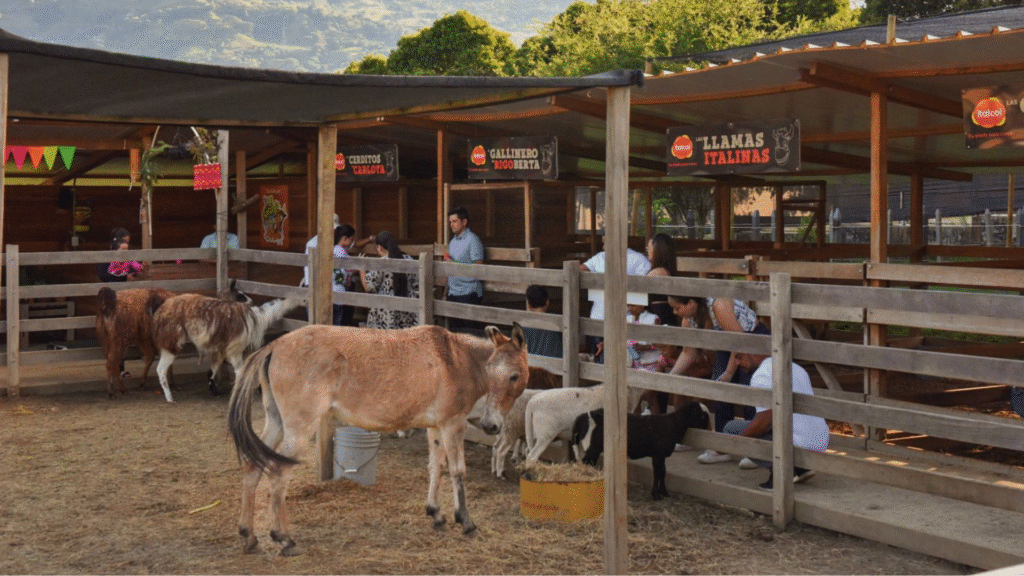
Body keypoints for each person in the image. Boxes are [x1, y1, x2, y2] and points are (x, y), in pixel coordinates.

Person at [667, 294, 771, 466]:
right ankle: (722, 446)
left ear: (691, 303)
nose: (674, 312)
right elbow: (688, 352)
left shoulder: (719, 305)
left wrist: (729, 373)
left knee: (749, 392)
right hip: (727, 345)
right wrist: (671, 377)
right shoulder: (690, 319)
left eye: (677, 307)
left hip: (750, 340)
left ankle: (755, 448)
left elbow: (739, 341)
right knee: (720, 391)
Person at [724, 350, 830, 490]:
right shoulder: (794, 367)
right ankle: (801, 468)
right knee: (770, 425)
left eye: (740, 357)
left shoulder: (761, 374)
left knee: (731, 429)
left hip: (795, 444)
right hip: (819, 441)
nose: (737, 363)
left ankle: (779, 475)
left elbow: (764, 422)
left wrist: (731, 444)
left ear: (755, 353)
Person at [581, 232, 651, 362]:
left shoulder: (638, 259)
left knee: (623, 362)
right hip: (597, 320)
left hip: (623, 322)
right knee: (599, 362)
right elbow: (581, 269)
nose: (603, 247)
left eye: (605, 242)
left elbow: (645, 286)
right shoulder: (600, 257)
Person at [360, 231, 419, 330]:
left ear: (379, 247)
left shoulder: (382, 263)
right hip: (407, 310)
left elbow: (368, 287)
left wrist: (362, 270)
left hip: (386, 312)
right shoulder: (409, 259)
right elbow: (416, 284)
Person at [444, 206, 485, 332]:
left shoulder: (473, 240)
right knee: (455, 332)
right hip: (453, 292)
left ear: (464, 222)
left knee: (470, 332)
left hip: (468, 292)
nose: (451, 225)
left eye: (454, 221)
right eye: (450, 222)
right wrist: (445, 293)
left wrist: (456, 265)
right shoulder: (452, 242)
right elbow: (449, 270)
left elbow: (479, 266)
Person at [645, 233, 678, 327]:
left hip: (658, 317)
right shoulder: (666, 270)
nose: (647, 250)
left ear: (658, 250)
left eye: (649, 248)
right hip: (664, 316)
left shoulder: (657, 272)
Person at [521, 285, 563, 358]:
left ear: (528, 304)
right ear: (547, 302)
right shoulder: (556, 322)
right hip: (555, 367)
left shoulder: (523, 326)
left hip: (532, 367)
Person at [330, 224, 360, 327]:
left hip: (334, 289)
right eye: (351, 239)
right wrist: (361, 267)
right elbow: (349, 270)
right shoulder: (341, 252)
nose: (352, 242)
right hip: (340, 290)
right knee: (341, 322)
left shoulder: (335, 249)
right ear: (344, 238)